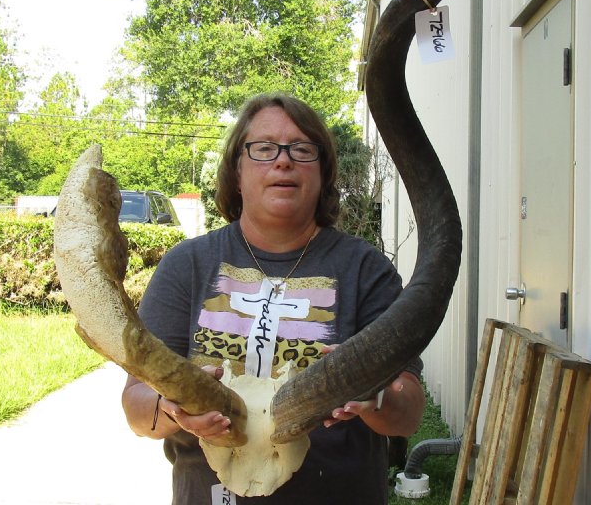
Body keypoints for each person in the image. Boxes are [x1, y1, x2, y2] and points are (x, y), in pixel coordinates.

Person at [122, 93, 426, 504]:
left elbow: (408, 414)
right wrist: (173, 409)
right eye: (264, 149)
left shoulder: (366, 271)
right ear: (236, 171)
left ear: (323, 172)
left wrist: (372, 393)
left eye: (302, 149)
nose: (283, 161)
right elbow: (136, 406)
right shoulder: (187, 267)